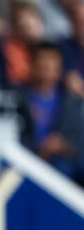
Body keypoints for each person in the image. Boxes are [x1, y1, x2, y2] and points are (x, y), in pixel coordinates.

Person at [18, 42, 84, 181]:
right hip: (29, 162)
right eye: (42, 59)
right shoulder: (18, 98)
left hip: (65, 162)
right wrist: (41, 148)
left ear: (60, 67)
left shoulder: (71, 100)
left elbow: (77, 139)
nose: (46, 65)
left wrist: (63, 145)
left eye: (52, 60)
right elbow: (14, 136)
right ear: (32, 64)